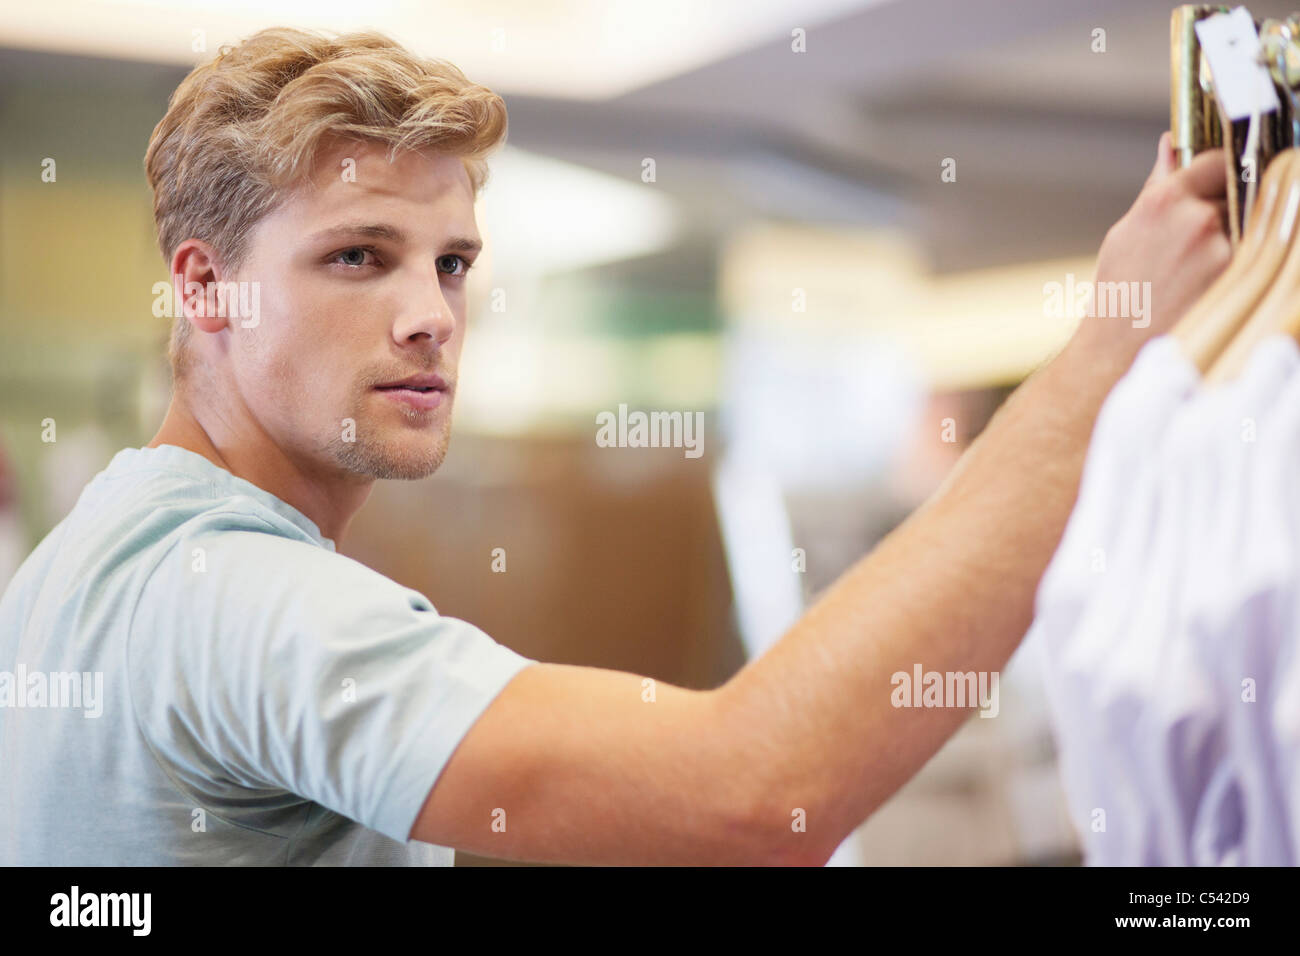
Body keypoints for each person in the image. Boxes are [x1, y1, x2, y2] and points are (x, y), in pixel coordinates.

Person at [0, 27, 1230, 866]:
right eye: (358, 256)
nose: (431, 310)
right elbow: (760, 792)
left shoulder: (94, 556)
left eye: (453, 262)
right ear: (204, 291)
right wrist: (1105, 354)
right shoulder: (244, 595)